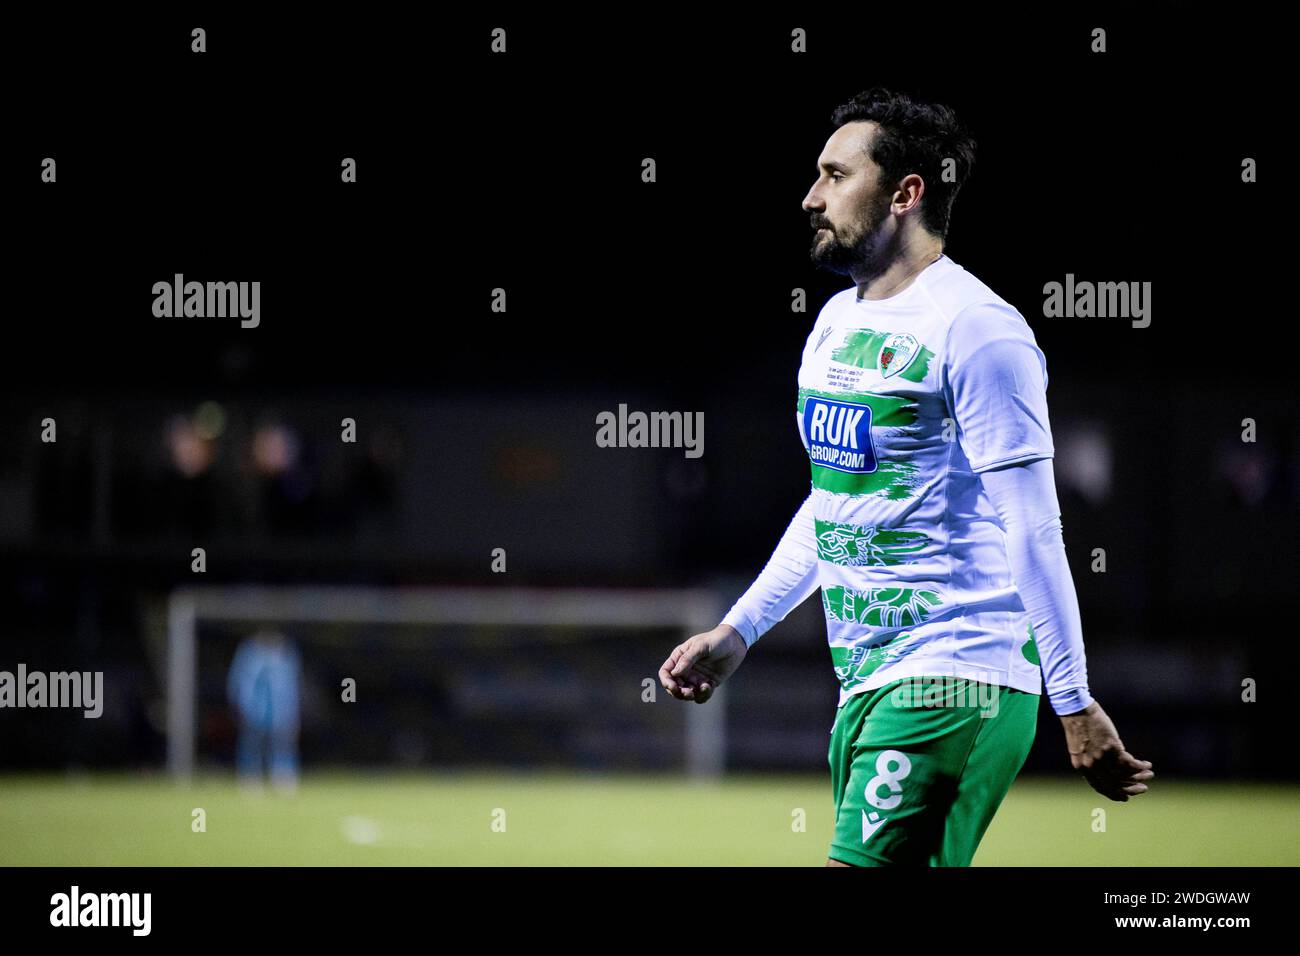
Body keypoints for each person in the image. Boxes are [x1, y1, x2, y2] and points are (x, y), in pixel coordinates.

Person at [658, 87, 1153, 866]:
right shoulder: (836, 323)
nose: (810, 196)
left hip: (956, 675)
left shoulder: (979, 330)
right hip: (867, 679)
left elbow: (1033, 524)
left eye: (833, 174)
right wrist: (741, 628)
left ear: (905, 193)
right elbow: (836, 506)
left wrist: (1074, 700)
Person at [227, 628, 302, 792]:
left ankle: (283, 778)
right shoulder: (249, 658)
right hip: (254, 712)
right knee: (252, 745)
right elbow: (238, 685)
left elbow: (291, 689)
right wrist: (241, 707)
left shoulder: (285, 659)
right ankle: (250, 779)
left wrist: (292, 712)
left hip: (280, 713)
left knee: (282, 745)